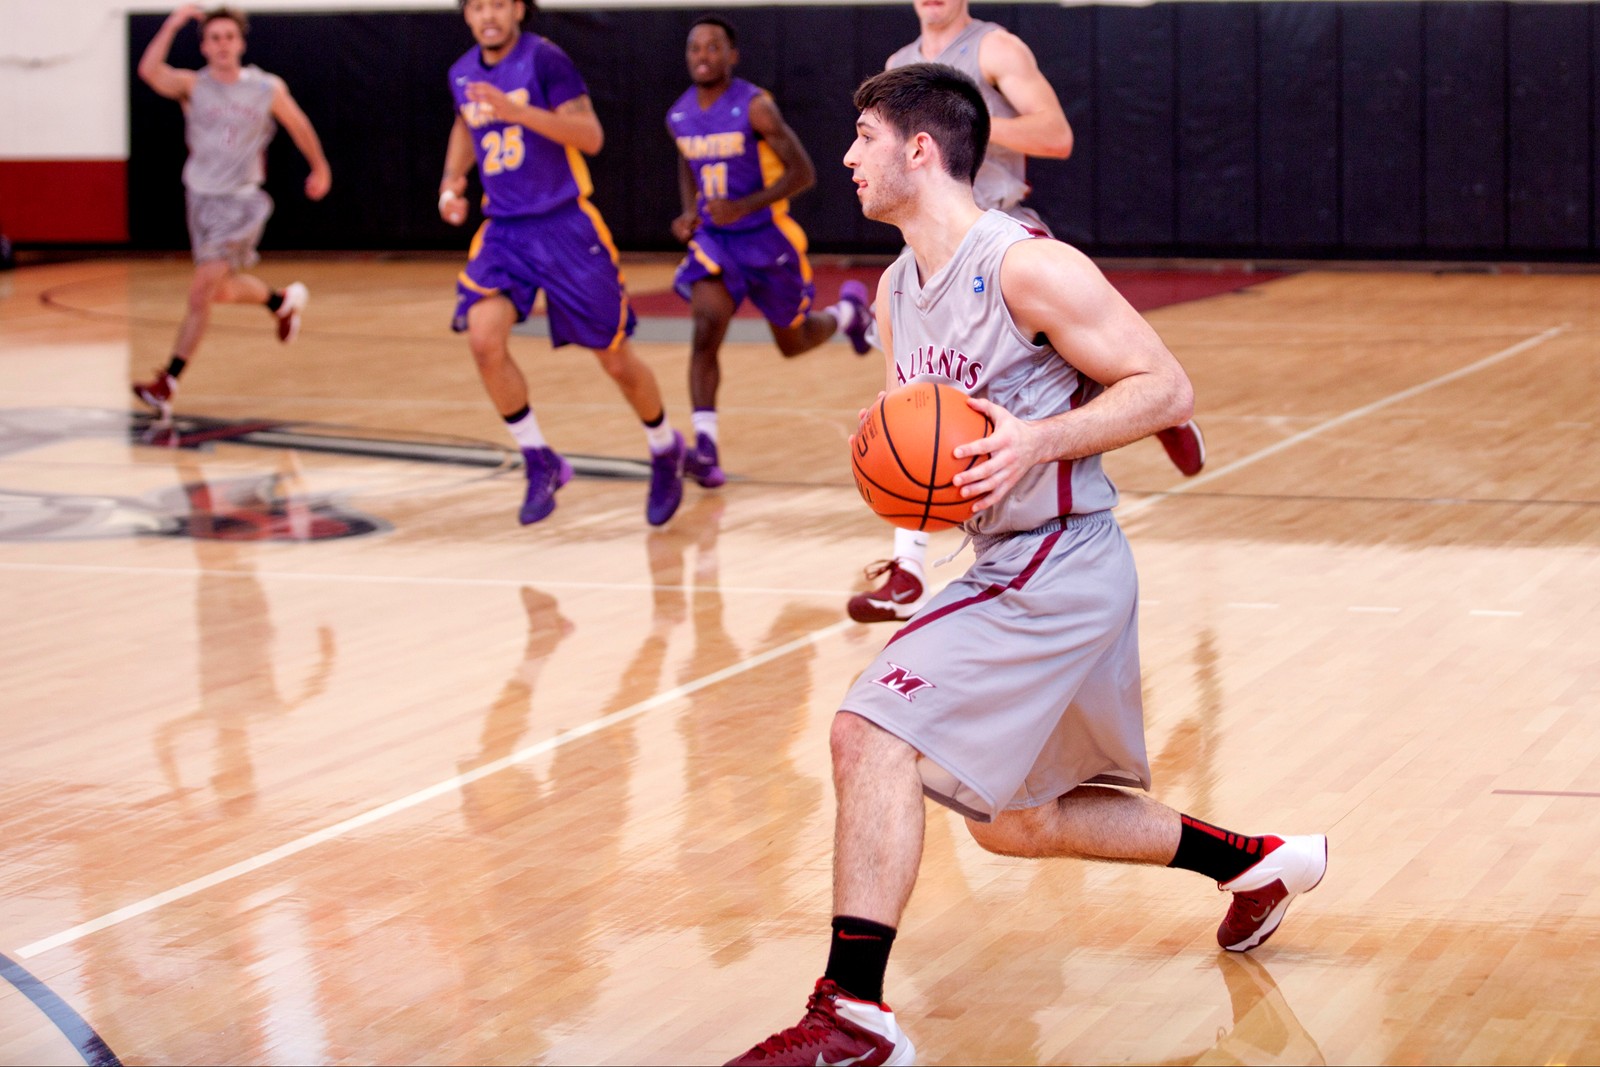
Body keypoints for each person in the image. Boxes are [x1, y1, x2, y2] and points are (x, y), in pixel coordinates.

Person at [724, 64, 1325, 1066]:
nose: (846, 157)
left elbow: (1165, 385)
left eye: (863, 136)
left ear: (919, 150)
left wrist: (1039, 439)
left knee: (865, 731)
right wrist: (905, 553)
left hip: (1059, 559)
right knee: (1017, 821)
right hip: (1015, 558)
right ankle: (1260, 864)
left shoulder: (1021, 265)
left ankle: (853, 1015)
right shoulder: (892, 289)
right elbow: (914, 444)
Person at [847, 0, 1207, 623]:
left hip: (994, 222)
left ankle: (1126, 388)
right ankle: (908, 565)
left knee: (1053, 352)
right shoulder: (899, 66)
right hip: (927, 240)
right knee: (919, 411)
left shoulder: (996, 50)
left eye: (865, 139)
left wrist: (968, 124)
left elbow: (1056, 136)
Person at [440, 0, 684, 526]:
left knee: (614, 358)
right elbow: (466, 123)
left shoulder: (545, 59)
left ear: (518, 11)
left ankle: (665, 447)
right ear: (466, 14)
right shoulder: (462, 72)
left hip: (565, 225)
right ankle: (539, 457)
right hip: (504, 230)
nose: (489, 15)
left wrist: (517, 111)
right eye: (478, 5)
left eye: (499, 4)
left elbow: (590, 136)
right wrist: (452, 182)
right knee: (483, 339)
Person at [666, 15, 875, 488]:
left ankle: (848, 314)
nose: (703, 56)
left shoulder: (756, 107)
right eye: (695, 48)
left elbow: (803, 174)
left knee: (793, 342)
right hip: (716, 243)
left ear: (732, 55)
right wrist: (690, 212)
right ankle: (705, 449)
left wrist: (741, 207)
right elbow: (687, 162)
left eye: (713, 47)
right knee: (705, 327)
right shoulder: (679, 114)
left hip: (765, 239)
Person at [132, 5, 331, 422]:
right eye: (214, 38)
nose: (222, 45)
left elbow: (298, 124)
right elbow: (149, 70)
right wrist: (172, 23)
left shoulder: (264, 88)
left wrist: (319, 165)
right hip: (200, 199)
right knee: (219, 291)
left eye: (229, 37)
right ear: (204, 46)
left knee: (201, 289)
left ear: (240, 43)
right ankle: (280, 301)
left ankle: (168, 380)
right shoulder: (193, 85)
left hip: (240, 203)